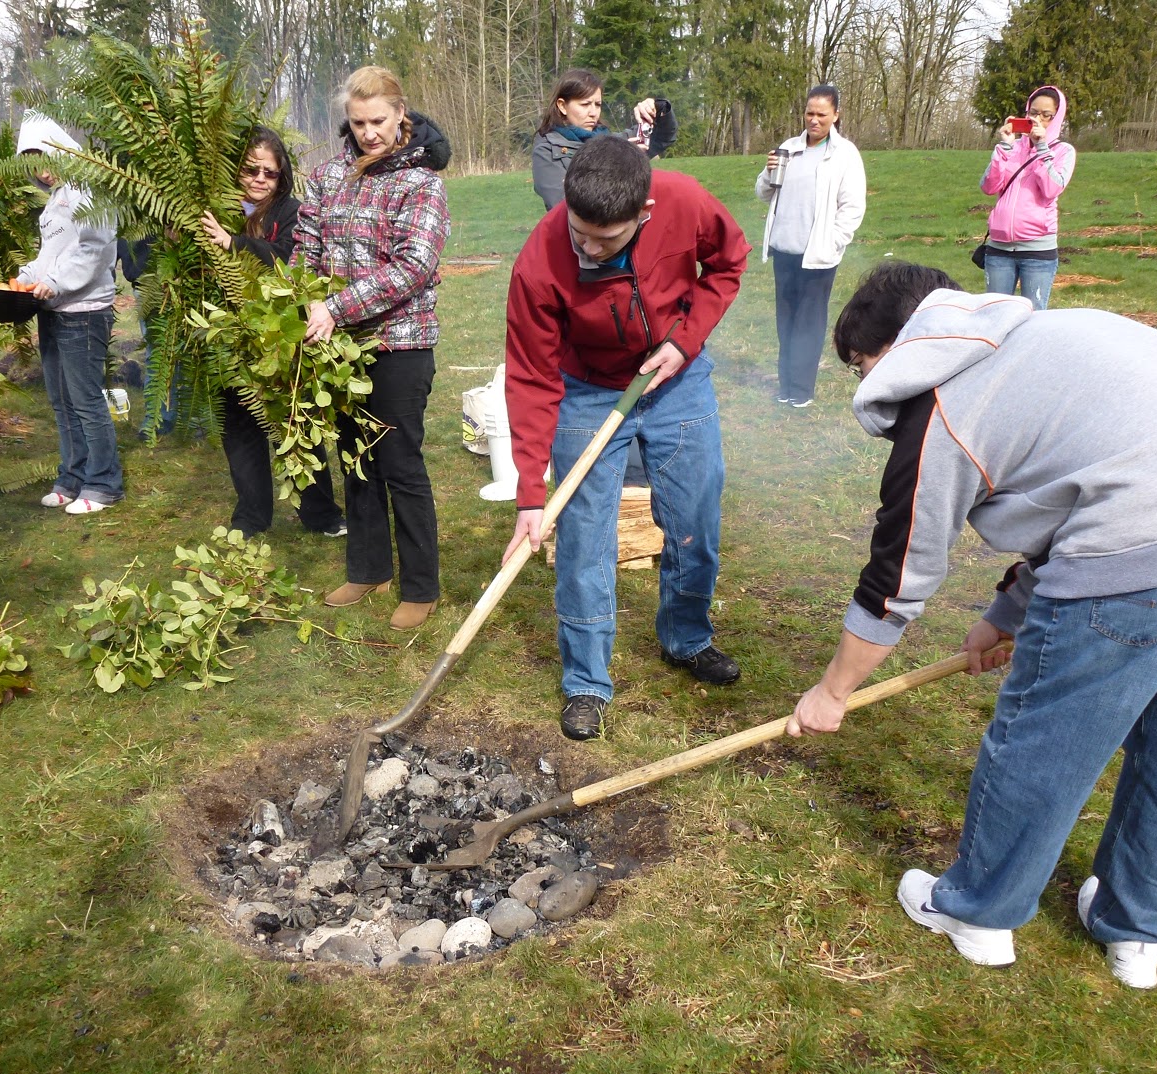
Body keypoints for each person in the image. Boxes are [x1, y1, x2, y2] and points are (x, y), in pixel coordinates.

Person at [787, 262, 1157, 990]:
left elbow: (899, 575)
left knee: (1045, 740)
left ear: (893, 352)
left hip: (1153, 544)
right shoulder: (1051, 335)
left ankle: (979, 912)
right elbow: (1091, 484)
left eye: (860, 368)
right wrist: (1002, 617)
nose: (864, 387)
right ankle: (1136, 930)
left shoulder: (940, 403)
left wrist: (833, 691)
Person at [502, 136, 749, 740]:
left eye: (604, 240)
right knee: (584, 536)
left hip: (676, 380)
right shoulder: (540, 260)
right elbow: (531, 378)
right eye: (578, 232)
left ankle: (687, 638)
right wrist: (532, 495)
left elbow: (728, 264)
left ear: (644, 213)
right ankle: (586, 680)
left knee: (694, 515)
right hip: (587, 390)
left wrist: (685, 341)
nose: (586, 248)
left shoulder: (684, 201)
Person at [298, 67, 450, 631]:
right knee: (355, 458)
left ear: (400, 113)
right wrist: (298, 299)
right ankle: (367, 568)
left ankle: (420, 584)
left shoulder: (422, 181)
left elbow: (413, 265)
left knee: (400, 462)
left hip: (401, 343)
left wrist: (335, 308)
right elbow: (306, 245)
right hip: (340, 348)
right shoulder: (328, 176)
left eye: (378, 121)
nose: (368, 133)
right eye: (358, 122)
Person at [200, 126, 344, 538]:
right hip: (228, 337)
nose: (261, 179)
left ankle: (322, 515)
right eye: (252, 170)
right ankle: (250, 517)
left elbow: (288, 261)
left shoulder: (290, 212)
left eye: (271, 173)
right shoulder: (216, 208)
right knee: (240, 428)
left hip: (279, 338)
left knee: (296, 424)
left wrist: (235, 245)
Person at [16, 112, 123, 515]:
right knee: (61, 401)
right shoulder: (55, 200)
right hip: (53, 308)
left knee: (86, 400)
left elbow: (94, 250)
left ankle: (103, 483)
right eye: (31, 164)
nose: (41, 171)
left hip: (84, 312)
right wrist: (22, 278)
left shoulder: (87, 189)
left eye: (43, 158)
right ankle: (72, 477)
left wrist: (56, 283)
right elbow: (50, 257)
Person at [755, 83, 866, 409]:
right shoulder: (789, 147)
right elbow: (764, 193)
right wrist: (767, 172)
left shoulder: (845, 154)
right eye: (809, 113)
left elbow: (853, 207)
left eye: (821, 114)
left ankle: (802, 392)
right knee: (785, 323)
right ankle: (785, 387)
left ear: (836, 115)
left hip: (818, 255)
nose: (814, 120)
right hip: (785, 251)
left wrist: (834, 243)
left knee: (808, 325)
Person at [978, 86, 1074, 310]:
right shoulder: (1010, 147)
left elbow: (1052, 189)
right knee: (995, 315)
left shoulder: (1063, 151)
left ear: (1056, 118)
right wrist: (1004, 147)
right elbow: (988, 186)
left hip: (1037, 251)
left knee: (1033, 320)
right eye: (1033, 113)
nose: (1037, 119)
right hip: (999, 249)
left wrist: (1041, 148)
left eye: (1045, 115)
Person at [532, 69, 677, 211]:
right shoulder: (547, 149)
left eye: (598, 105)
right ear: (562, 106)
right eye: (585, 104)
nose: (593, 113)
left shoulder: (611, 140)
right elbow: (563, 204)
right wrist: (622, 161)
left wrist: (656, 108)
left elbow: (664, 136)